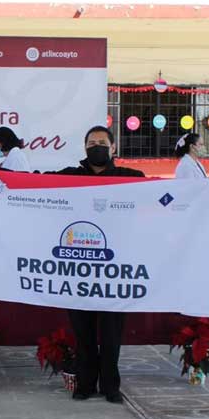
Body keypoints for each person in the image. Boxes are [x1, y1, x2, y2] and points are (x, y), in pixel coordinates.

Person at [50, 126, 145, 403]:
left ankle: (111, 386)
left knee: (112, 333)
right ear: (84, 148)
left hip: (114, 270)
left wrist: (202, 189)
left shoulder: (131, 177)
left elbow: (167, 193)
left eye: (102, 142)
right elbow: (31, 180)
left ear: (113, 148)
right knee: (83, 331)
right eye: (91, 143)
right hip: (79, 269)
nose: (96, 147)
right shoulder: (71, 176)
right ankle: (85, 384)